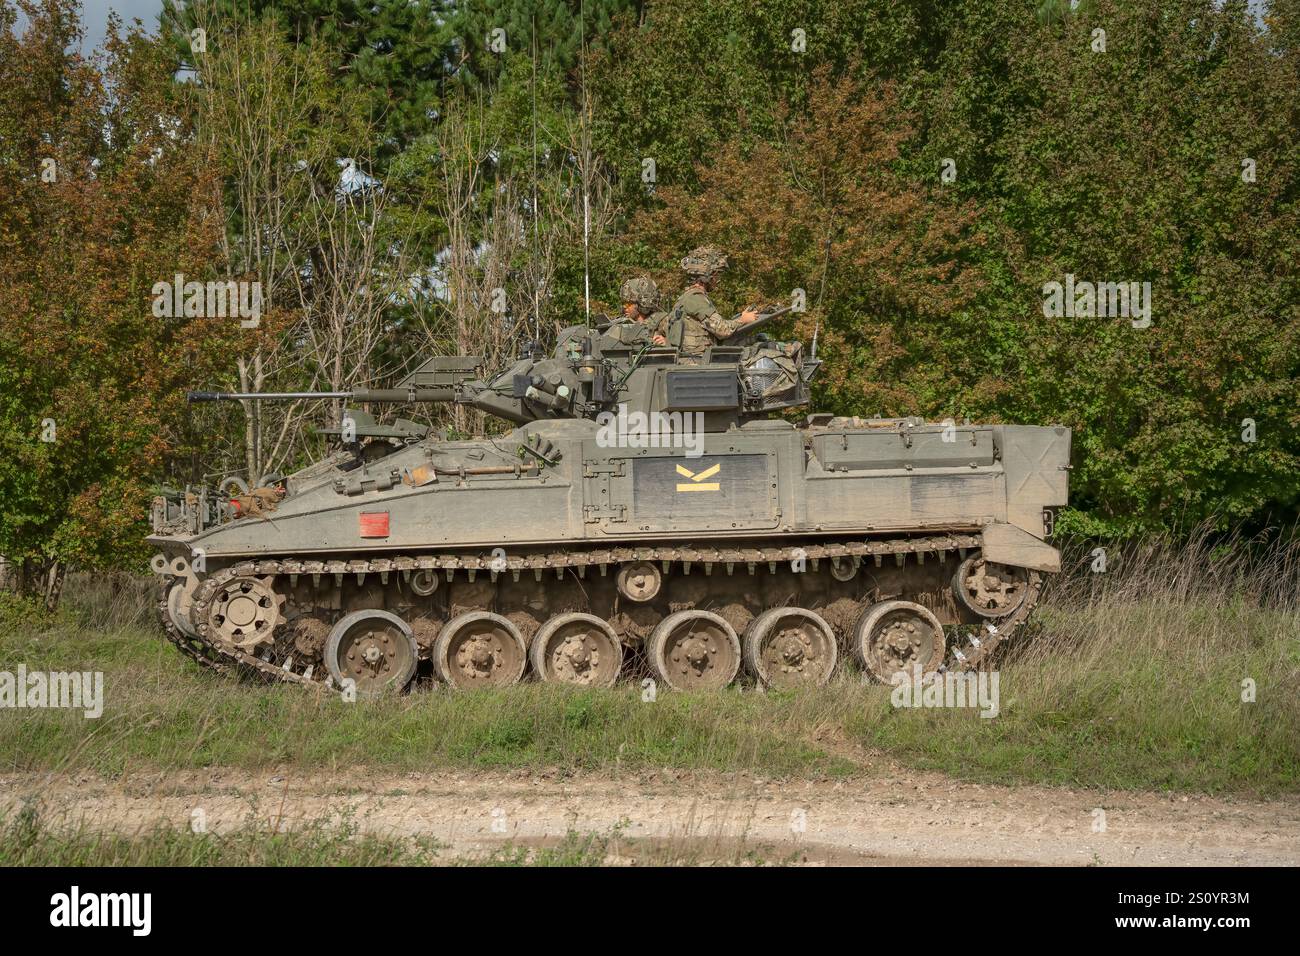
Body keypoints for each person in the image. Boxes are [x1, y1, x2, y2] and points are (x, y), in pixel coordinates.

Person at [668, 245, 758, 360]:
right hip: (698, 363)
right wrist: (743, 320)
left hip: (691, 361)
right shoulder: (696, 299)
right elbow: (722, 330)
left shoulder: (685, 298)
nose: (717, 280)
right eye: (715, 275)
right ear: (706, 276)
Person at [604, 276, 669, 347]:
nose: (624, 307)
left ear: (641, 303)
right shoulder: (624, 322)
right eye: (623, 303)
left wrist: (666, 341)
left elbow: (680, 343)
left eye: (628, 304)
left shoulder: (662, 321)